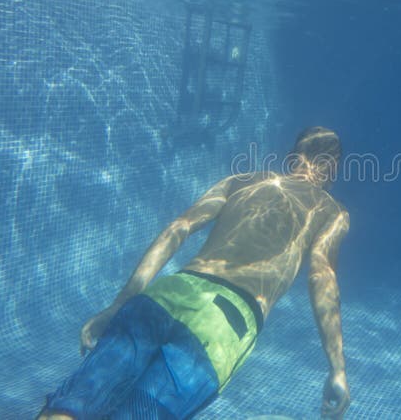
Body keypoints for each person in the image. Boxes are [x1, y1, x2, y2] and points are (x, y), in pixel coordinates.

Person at [38, 127, 350, 420]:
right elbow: (321, 276)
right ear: (331, 168)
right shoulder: (330, 210)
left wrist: (119, 303)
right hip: (223, 324)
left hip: (166, 294)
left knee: (70, 406)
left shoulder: (239, 181)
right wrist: (337, 368)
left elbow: (178, 228)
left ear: (292, 157)